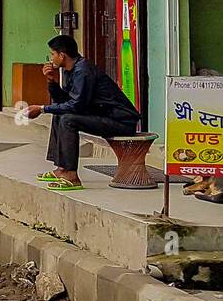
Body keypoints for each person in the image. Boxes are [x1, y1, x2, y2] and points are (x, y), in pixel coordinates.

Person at [24, 34, 140, 191]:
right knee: (60, 115)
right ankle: (61, 169)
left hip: (121, 122)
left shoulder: (83, 71)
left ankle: (71, 175)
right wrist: (51, 81)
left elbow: (76, 105)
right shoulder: (69, 70)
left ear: (62, 55)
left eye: (52, 54)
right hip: (101, 116)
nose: (51, 58)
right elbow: (64, 101)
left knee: (68, 120)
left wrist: (42, 109)